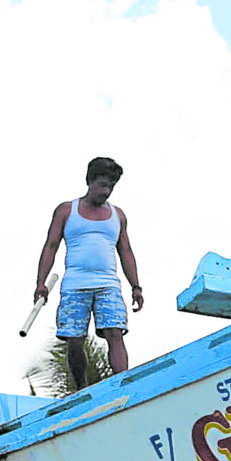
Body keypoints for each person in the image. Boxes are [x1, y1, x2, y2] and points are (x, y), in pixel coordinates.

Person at [34, 156, 143, 390]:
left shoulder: (118, 215)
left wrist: (136, 286)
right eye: (103, 185)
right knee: (74, 340)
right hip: (75, 284)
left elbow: (125, 251)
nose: (106, 191)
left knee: (115, 331)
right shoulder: (66, 210)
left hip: (108, 284)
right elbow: (51, 245)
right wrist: (40, 283)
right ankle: (82, 388)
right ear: (90, 181)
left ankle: (122, 384)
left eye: (111, 187)